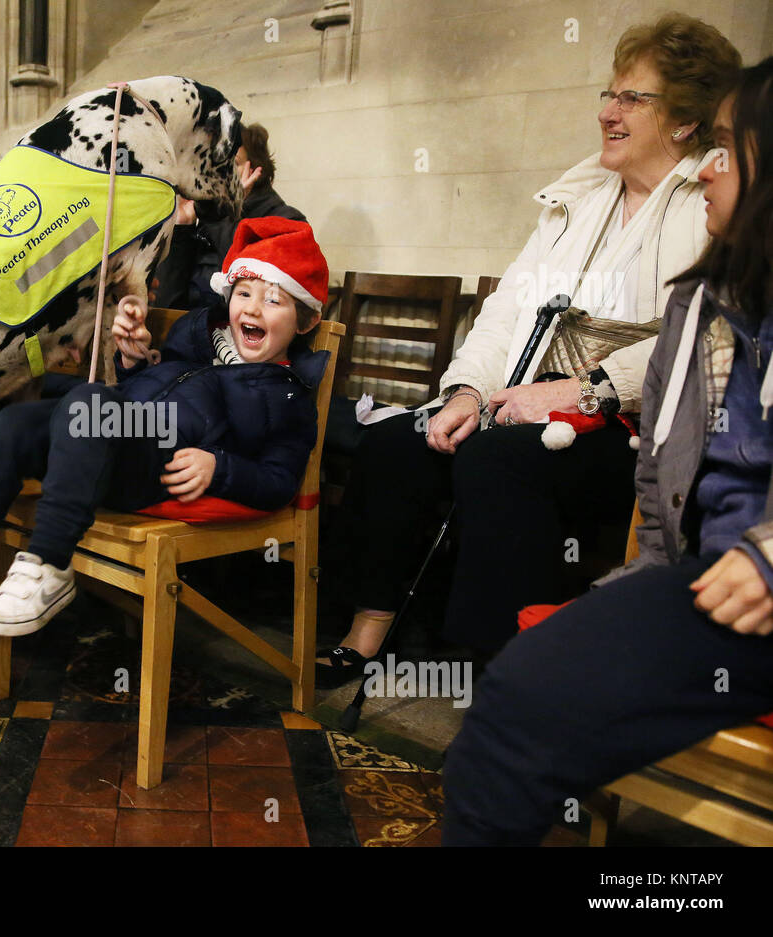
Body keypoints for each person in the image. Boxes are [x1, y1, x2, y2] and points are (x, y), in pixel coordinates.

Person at [317, 13, 742, 682]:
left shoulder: (710, 204)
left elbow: (700, 338)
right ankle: (370, 627)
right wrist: (466, 392)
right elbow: (508, 309)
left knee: (500, 462)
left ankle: (504, 669)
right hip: (524, 397)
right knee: (403, 440)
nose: (608, 111)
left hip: (628, 424)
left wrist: (580, 390)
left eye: (632, 98)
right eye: (608, 94)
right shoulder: (576, 199)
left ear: (684, 119)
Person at [442, 58, 773, 846]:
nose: (710, 170)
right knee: (516, 701)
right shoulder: (705, 301)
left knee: (517, 703)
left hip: (749, 586)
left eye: (728, 147)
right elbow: (668, 474)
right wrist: (468, 391)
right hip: (704, 585)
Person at [0, 217, 330, 636]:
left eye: (274, 300)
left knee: (88, 402)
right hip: (105, 439)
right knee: (15, 421)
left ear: (306, 319)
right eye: (244, 294)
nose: (252, 309)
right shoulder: (197, 338)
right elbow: (150, 388)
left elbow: (281, 481)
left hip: (155, 468)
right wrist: (133, 359)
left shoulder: (287, 396)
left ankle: (49, 565)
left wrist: (221, 466)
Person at [152, 123, 305, 310]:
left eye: (232, 163)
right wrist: (182, 229)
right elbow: (166, 307)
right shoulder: (206, 220)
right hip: (188, 333)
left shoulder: (287, 221)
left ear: (256, 169)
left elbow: (247, 305)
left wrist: (222, 213)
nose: (217, 173)